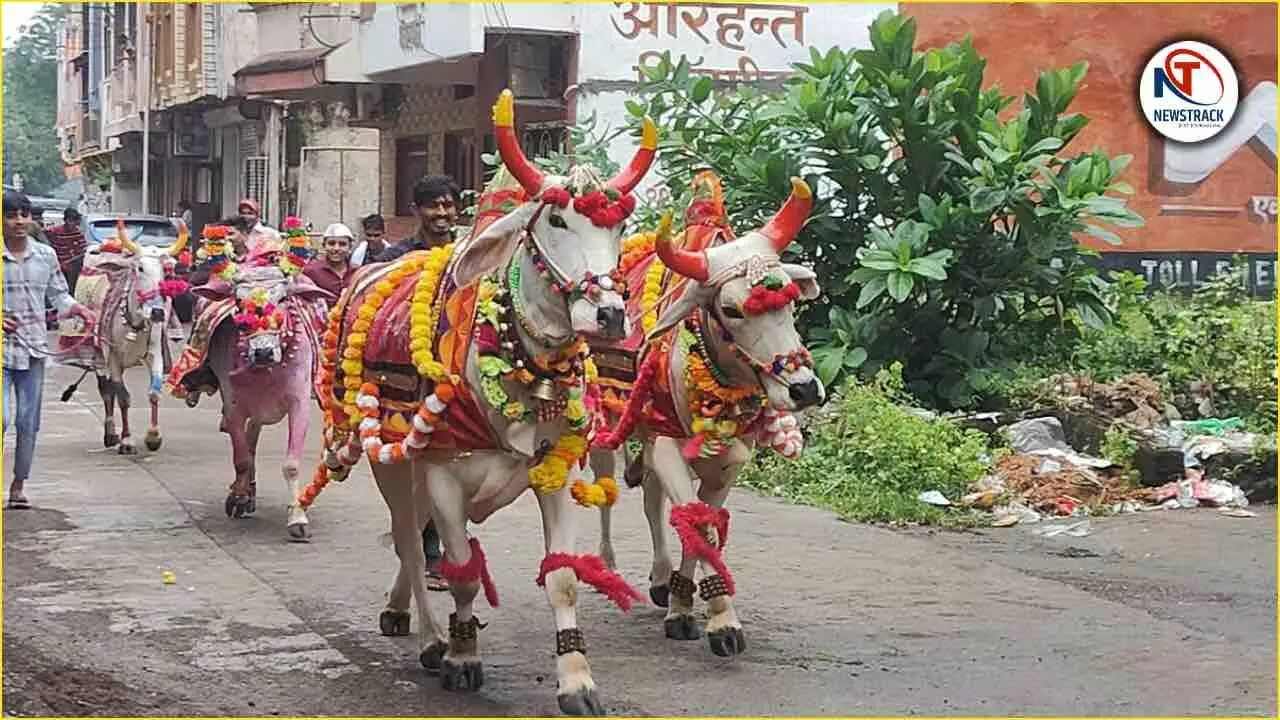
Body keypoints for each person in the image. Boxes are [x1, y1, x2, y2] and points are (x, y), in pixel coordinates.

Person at [2, 190, 95, 509]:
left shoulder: (45, 255)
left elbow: (59, 294)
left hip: (33, 349)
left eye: (23, 215)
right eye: (10, 216)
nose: (18, 222)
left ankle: (18, 484)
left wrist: (79, 309)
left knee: (27, 422)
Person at [374, 175, 460, 263]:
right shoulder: (394, 258)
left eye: (448, 205)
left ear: (456, 209)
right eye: (432, 206)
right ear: (415, 210)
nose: (442, 213)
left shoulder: (463, 252)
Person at [302, 223, 355, 299]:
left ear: (350, 247)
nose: (336, 248)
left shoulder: (358, 271)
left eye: (342, 244)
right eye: (331, 243)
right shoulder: (310, 270)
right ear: (324, 246)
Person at [47, 208, 87, 294]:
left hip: (72, 266)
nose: (73, 224)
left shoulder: (77, 233)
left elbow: (83, 249)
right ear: (66, 220)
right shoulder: (55, 231)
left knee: (71, 288)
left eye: (74, 221)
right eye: (70, 221)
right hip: (58, 265)